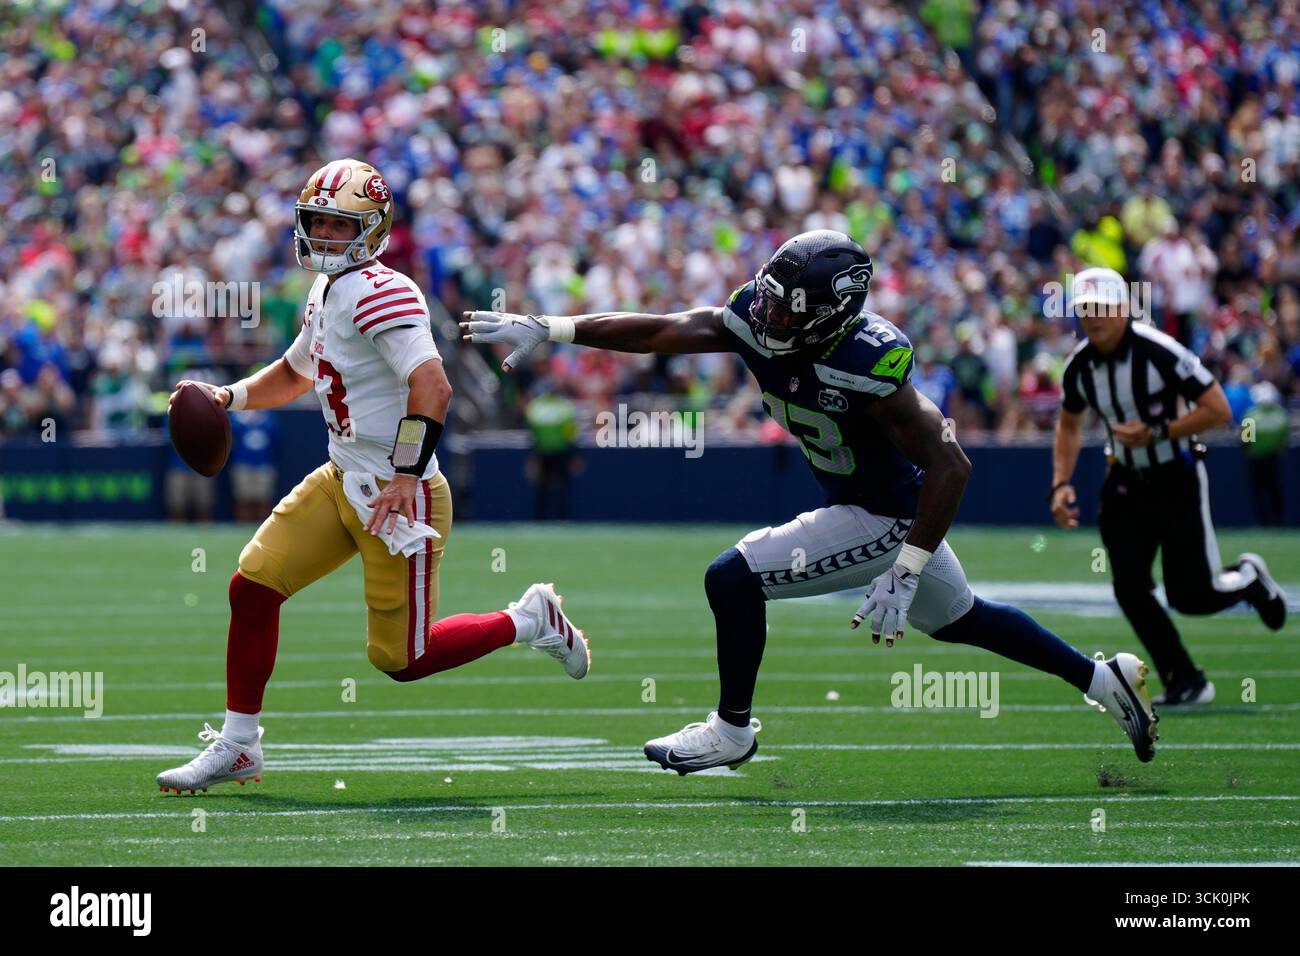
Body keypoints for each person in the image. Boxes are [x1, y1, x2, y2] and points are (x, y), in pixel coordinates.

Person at [464, 230, 1161, 772]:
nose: (762, 311)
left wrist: (908, 564)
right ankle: (1102, 680)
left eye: (784, 306)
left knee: (731, 578)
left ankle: (731, 731)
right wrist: (554, 328)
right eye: (767, 295)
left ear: (832, 315)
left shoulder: (865, 362)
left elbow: (951, 462)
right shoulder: (754, 316)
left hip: (885, 518)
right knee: (964, 621)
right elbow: (661, 330)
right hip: (874, 507)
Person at [155, 159, 590, 794]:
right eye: (318, 223)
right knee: (252, 587)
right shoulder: (327, 289)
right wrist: (228, 397)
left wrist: (407, 474)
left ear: (374, 229)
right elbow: (296, 371)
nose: (325, 236)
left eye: (339, 224)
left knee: (400, 660)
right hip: (341, 480)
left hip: (398, 497)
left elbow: (433, 385)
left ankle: (529, 619)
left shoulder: (384, 291)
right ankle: (240, 744)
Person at [1051, 267, 1287, 707]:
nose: (1093, 317)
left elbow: (1217, 409)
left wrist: (1158, 431)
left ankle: (1249, 577)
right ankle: (1185, 678)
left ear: (1123, 308)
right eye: (1085, 309)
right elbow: (1068, 423)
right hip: (1123, 483)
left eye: (1101, 307)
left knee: (1191, 596)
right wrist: (1061, 483)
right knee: (1129, 587)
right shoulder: (1079, 365)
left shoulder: (1159, 351)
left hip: (1175, 475)